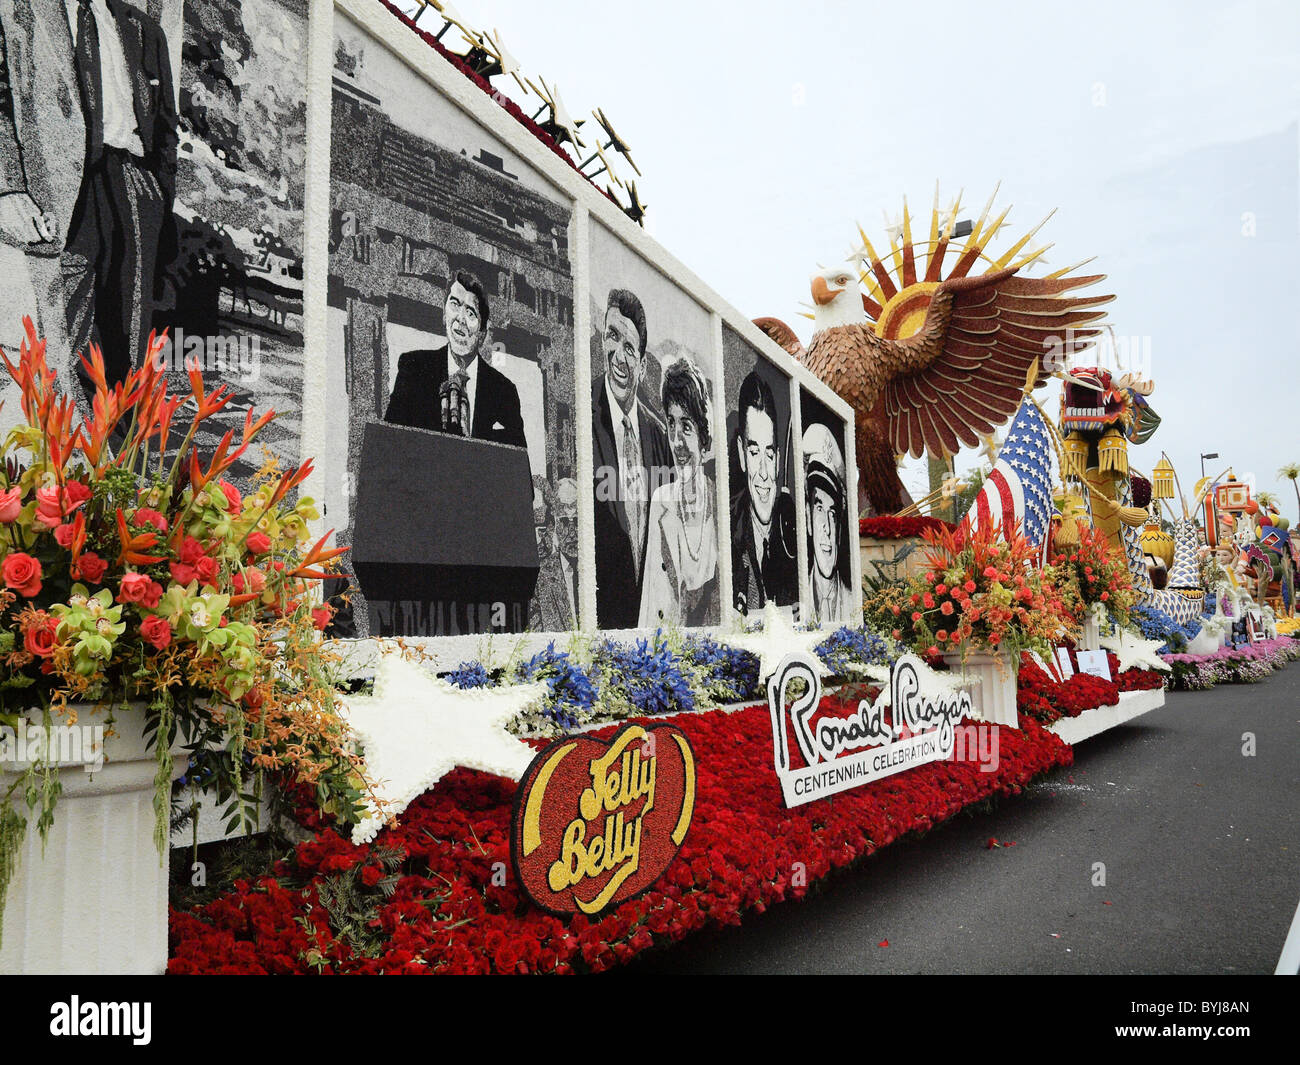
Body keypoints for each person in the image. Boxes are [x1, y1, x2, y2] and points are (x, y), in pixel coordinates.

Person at [0, 0, 177, 393]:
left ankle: (116, 437)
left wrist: (160, 197)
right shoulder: (21, 9)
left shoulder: (145, 30)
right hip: (63, 179)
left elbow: (166, 128)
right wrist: (9, 185)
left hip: (134, 182)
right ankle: (54, 435)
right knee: (61, 325)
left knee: (128, 330)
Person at [591, 287, 670, 628]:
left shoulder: (658, 437)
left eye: (629, 347)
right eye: (612, 337)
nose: (618, 357)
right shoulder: (583, 415)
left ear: (641, 364)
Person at [384, 270, 527, 448]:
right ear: (444, 314)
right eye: (454, 304)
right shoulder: (414, 368)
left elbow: (517, 466)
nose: (460, 319)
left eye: (471, 313)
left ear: (483, 331)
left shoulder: (504, 392)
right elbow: (387, 446)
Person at [639, 357, 718, 627]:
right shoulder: (662, 503)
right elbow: (650, 608)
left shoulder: (722, 507)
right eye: (671, 424)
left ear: (703, 436)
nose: (676, 442)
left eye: (686, 426)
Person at [731, 369, 797, 616]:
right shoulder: (729, 536)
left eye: (768, 454)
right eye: (754, 451)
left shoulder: (794, 533)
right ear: (741, 454)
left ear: (778, 459)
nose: (763, 473)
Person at [804, 422, 852, 626]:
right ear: (807, 518)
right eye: (820, 509)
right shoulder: (795, 602)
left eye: (832, 513)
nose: (827, 528)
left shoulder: (852, 604)